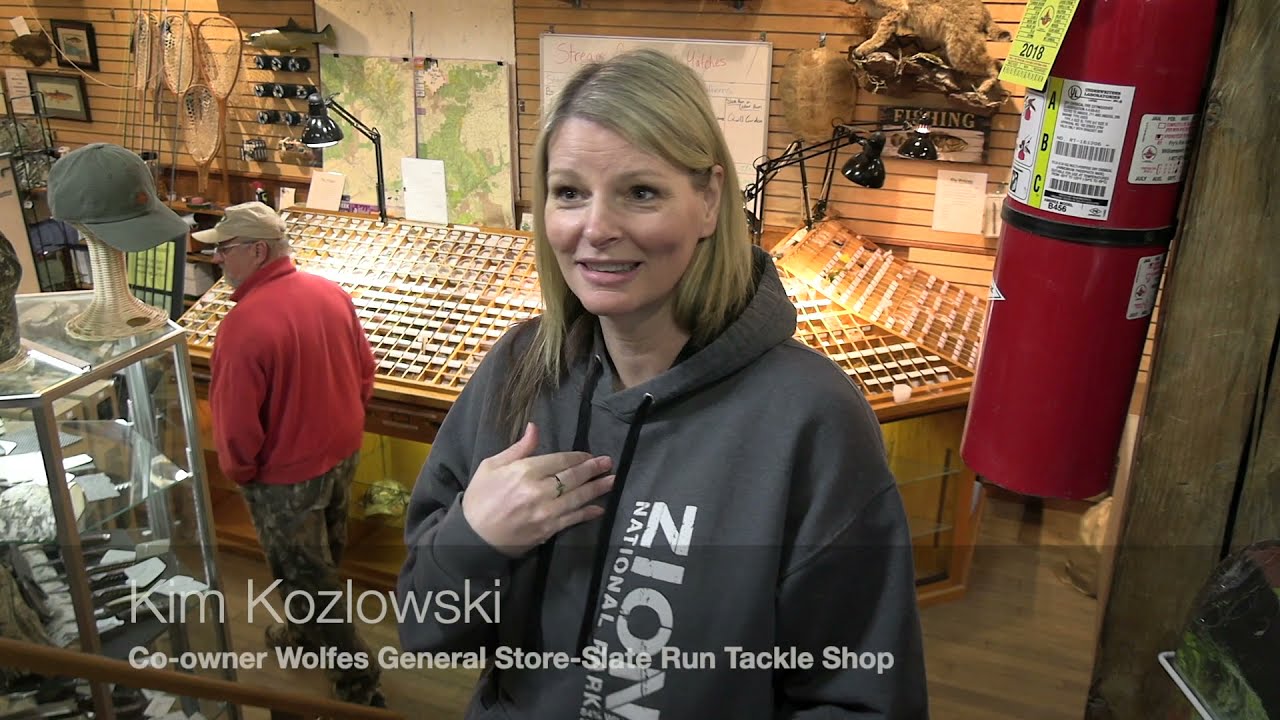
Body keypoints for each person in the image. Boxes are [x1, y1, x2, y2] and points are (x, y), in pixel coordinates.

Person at [398, 49, 928, 718]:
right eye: (569, 193)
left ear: (707, 200)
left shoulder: (810, 417)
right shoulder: (518, 372)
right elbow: (426, 630)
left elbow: (862, 694)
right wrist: (475, 540)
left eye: (640, 192)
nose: (596, 229)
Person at [193, 202, 384, 707]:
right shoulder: (330, 293)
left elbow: (236, 424)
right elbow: (365, 371)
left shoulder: (243, 325)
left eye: (226, 250)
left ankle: (358, 683)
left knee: (305, 575)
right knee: (324, 556)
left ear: (258, 251)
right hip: (342, 453)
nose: (218, 259)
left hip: (283, 476)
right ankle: (303, 633)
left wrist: (242, 472)